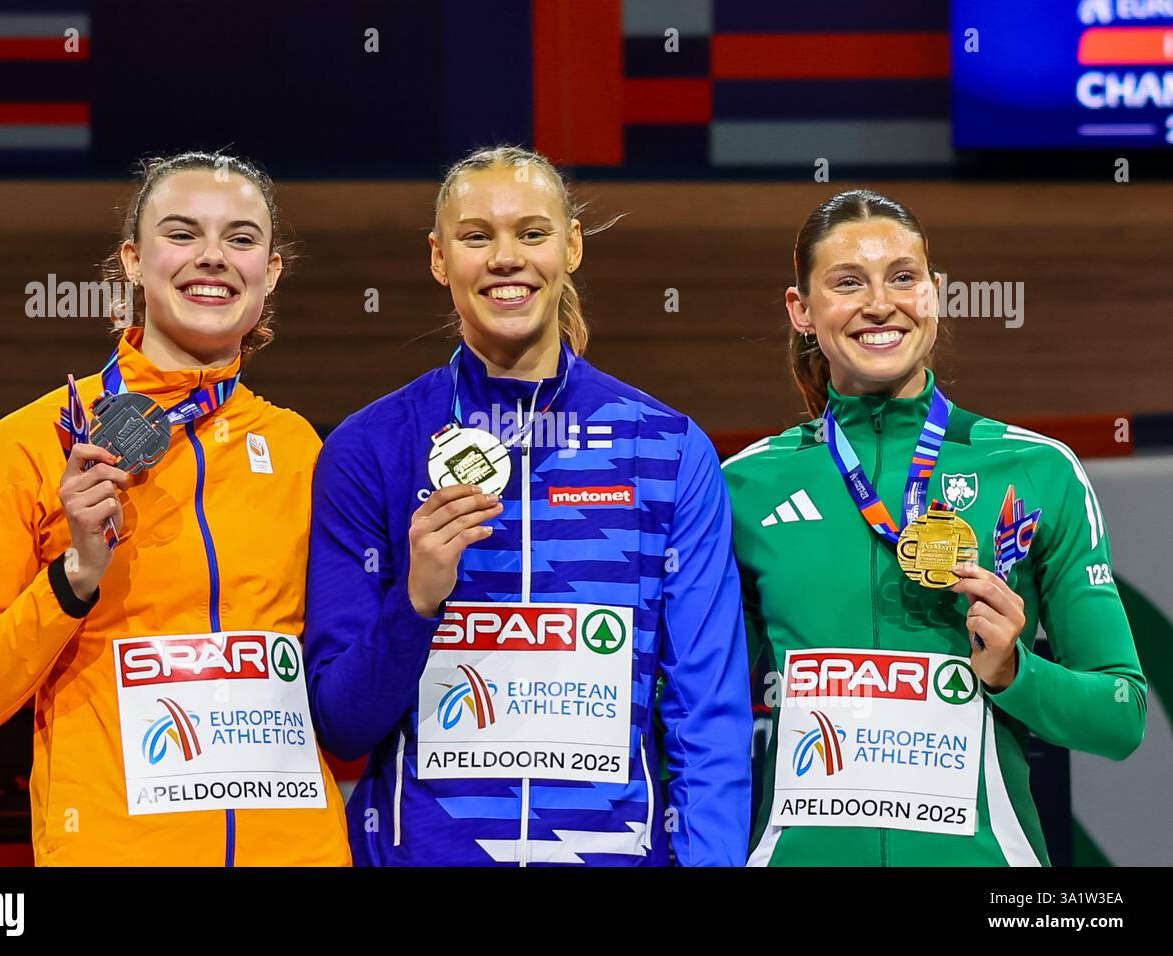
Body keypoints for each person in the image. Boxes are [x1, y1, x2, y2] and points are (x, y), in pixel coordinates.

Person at [304, 145, 751, 866]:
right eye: (476, 236)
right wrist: (415, 602)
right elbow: (342, 723)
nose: (505, 257)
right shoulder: (371, 449)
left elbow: (708, 714)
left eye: (532, 233)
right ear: (439, 258)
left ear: (571, 247)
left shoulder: (665, 450)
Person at [0, 151, 351, 866]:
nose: (213, 258)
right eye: (182, 234)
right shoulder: (31, 445)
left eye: (241, 238)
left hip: (297, 851)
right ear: (133, 259)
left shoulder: (298, 448)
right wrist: (74, 576)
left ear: (271, 272)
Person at [724, 189, 1146, 866]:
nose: (880, 303)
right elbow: (694, 704)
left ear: (936, 293)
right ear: (801, 311)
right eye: (847, 283)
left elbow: (1122, 714)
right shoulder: (745, 486)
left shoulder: (1037, 472)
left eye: (903, 277)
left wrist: (1015, 671)